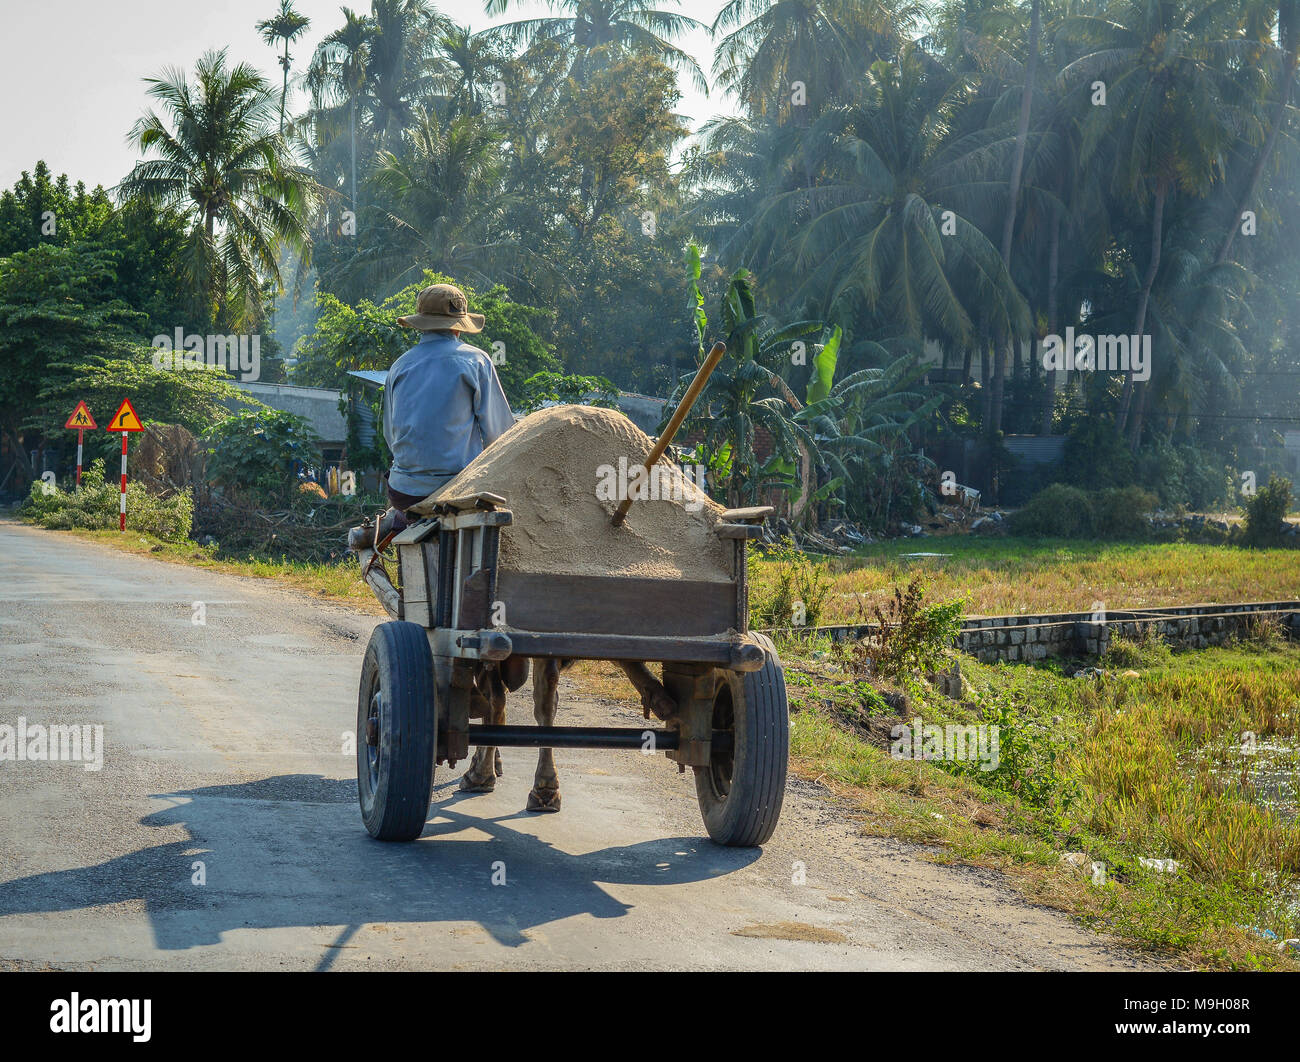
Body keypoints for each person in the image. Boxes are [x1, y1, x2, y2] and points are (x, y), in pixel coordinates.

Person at [349, 283, 514, 547]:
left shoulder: (400, 366)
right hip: (459, 491)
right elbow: (500, 435)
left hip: (405, 492)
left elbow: (391, 436)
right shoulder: (477, 361)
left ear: (421, 323)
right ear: (459, 325)